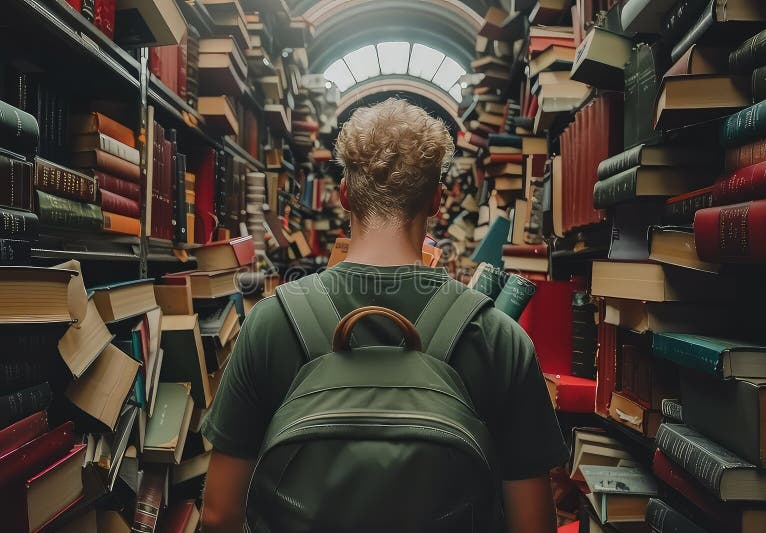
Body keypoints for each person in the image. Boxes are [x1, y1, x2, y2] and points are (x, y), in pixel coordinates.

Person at [200, 98, 569, 533]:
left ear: (343, 195)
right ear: (436, 199)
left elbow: (219, 514)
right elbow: (533, 526)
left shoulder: (270, 323)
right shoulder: (499, 338)